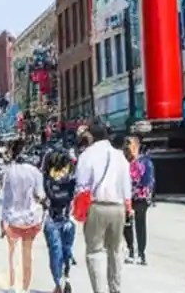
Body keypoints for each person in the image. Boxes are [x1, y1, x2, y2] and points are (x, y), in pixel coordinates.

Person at [73, 122, 129, 293]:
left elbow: (81, 186)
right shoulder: (119, 155)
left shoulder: (87, 155)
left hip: (96, 206)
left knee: (95, 251)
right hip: (118, 207)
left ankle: (99, 290)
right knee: (116, 250)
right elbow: (127, 185)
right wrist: (127, 206)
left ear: (90, 135)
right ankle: (115, 288)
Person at [0, 139, 45, 293]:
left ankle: (13, 286)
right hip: (31, 218)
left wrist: (3, 220)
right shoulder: (35, 172)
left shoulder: (8, 172)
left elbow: (5, 198)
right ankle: (25, 288)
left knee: (12, 254)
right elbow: (41, 194)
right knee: (27, 254)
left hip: (12, 218)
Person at [42, 148, 77, 293]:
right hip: (56, 221)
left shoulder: (50, 181)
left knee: (62, 252)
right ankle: (60, 282)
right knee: (60, 252)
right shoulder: (67, 181)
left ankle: (62, 280)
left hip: (64, 221)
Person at [122, 136, 154, 265]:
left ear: (136, 146)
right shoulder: (123, 162)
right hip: (126, 197)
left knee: (140, 224)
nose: (127, 148)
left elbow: (149, 181)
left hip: (140, 197)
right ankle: (131, 250)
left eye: (130, 145)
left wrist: (148, 195)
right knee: (126, 224)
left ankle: (141, 253)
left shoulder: (145, 162)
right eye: (126, 146)